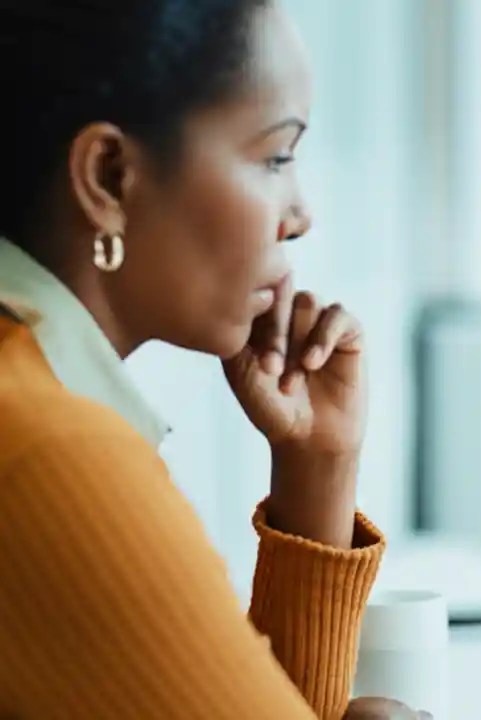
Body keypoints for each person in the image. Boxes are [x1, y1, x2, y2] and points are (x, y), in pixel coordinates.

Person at [0, 2, 423, 717]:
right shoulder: (51, 453)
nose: (300, 213)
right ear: (108, 177)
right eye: (276, 157)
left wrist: (316, 463)